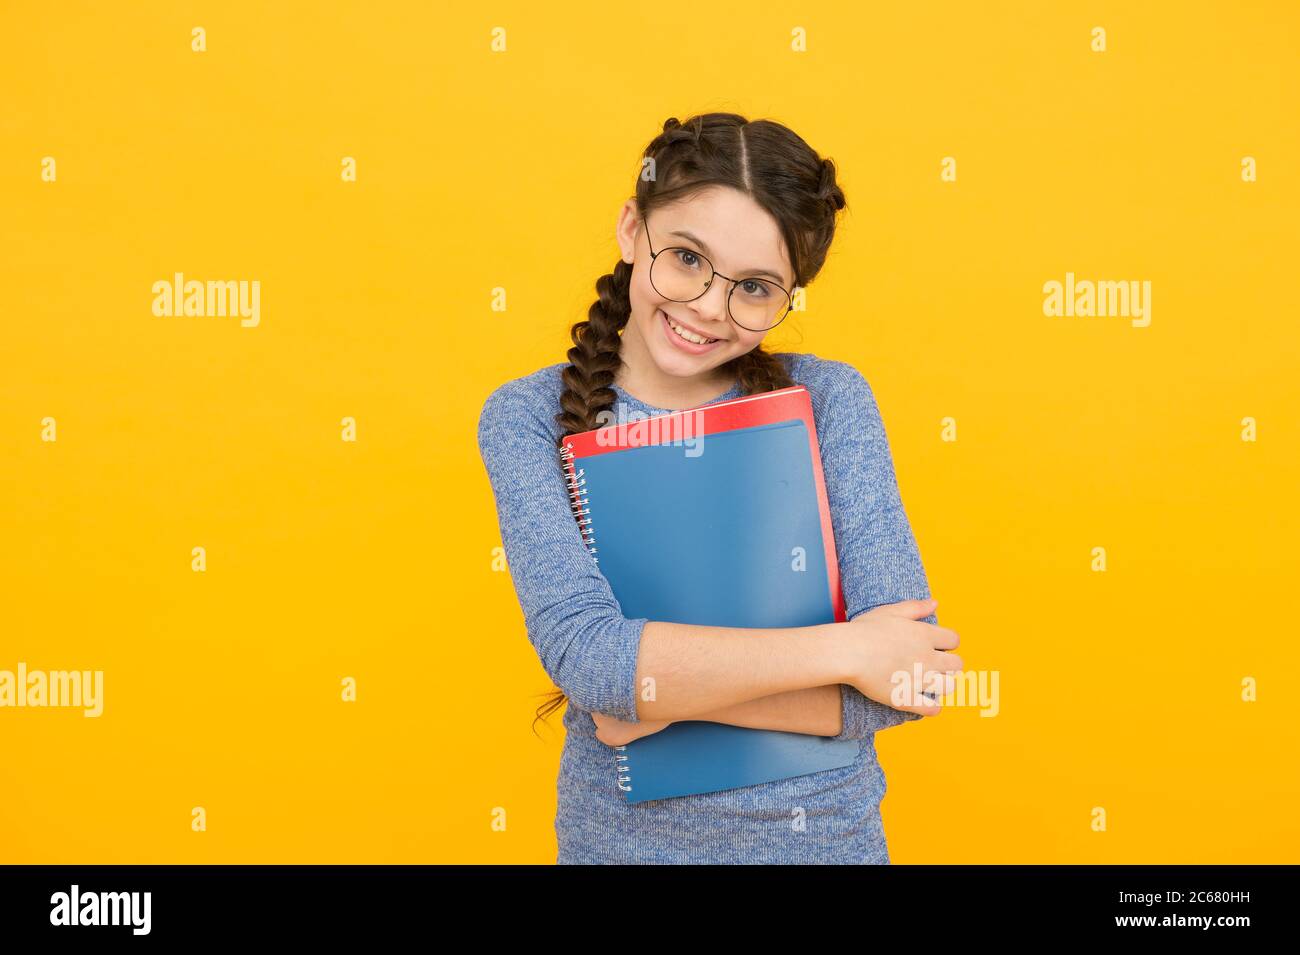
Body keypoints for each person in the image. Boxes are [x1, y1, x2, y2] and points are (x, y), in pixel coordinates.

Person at [476, 112, 961, 864]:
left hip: (827, 845)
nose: (708, 307)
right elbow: (593, 662)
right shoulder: (527, 417)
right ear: (633, 229)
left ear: (789, 297)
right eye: (687, 258)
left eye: (756, 287)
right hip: (621, 849)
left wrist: (656, 694)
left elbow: (905, 675)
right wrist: (843, 650)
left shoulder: (832, 400)